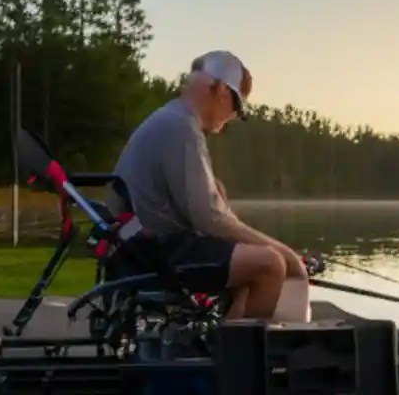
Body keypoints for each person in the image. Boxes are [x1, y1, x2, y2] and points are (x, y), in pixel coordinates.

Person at [107, 50, 308, 320]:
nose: (234, 117)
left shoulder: (171, 119)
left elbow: (209, 207)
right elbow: (210, 219)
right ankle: (240, 356)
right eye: (237, 108)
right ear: (223, 92)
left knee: (250, 256)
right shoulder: (181, 129)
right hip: (157, 251)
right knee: (270, 265)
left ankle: (225, 340)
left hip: (139, 245)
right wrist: (287, 255)